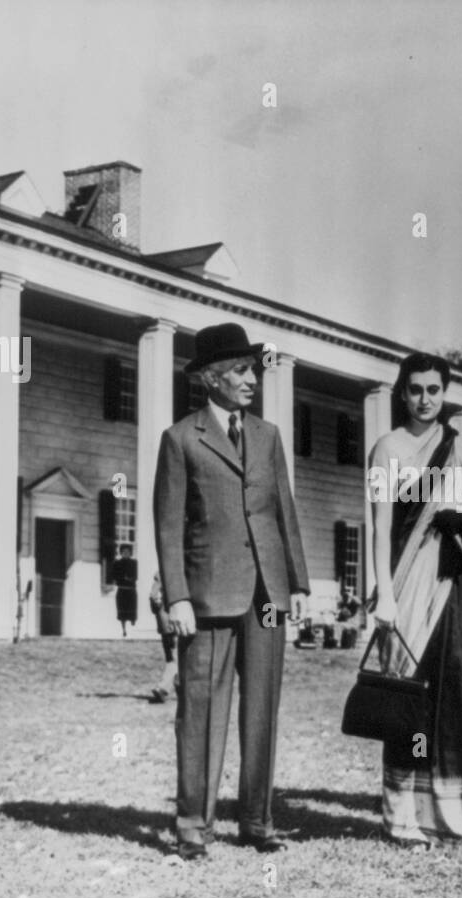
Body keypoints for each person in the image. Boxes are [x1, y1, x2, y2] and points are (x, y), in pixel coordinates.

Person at [153, 322, 309, 860]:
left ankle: (258, 821)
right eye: (242, 370)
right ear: (212, 379)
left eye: (255, 370)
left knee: (261, 709)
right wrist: (176, 597)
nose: (252, 380)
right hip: (207, 596)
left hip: (267, 594)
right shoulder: (179, 440)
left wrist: (298, 583)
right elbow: (168, 525)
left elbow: (283, 511)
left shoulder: (267, 436)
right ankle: (194, 826)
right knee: (200, 710)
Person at [368, 353, 462, 850]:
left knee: (458, 692)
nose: (425, 399)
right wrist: (384, 595)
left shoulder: (456, 448)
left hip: (450, 579)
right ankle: (403, 819)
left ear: (444, 392)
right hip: (406, 578)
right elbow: (379, 523)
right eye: (415, 390)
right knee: (408, 698)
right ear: (402, 392)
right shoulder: (384, 448)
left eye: (434, 389)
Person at [147, 571, 177, 703]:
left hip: (166, 625)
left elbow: (154, 599)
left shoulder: (160, 577)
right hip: (173, 625)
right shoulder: (164, 577)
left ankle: (167, 688)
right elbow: (155, 597)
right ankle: (163, 689)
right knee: (175, 658)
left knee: (173, 658)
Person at [110, 543, 138, 637]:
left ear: (130, 553)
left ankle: (133, 628)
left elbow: (136, 576)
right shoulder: (117, 563)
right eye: (124, 552)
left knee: (132, 612)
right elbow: (114, 576)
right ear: (121, 553)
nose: (126, 553)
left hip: (131, 591)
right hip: (122, 591)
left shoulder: (134, 563)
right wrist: (122, 579)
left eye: (128, 552)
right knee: (122, 613)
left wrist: (129, 579)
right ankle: (124, 630)